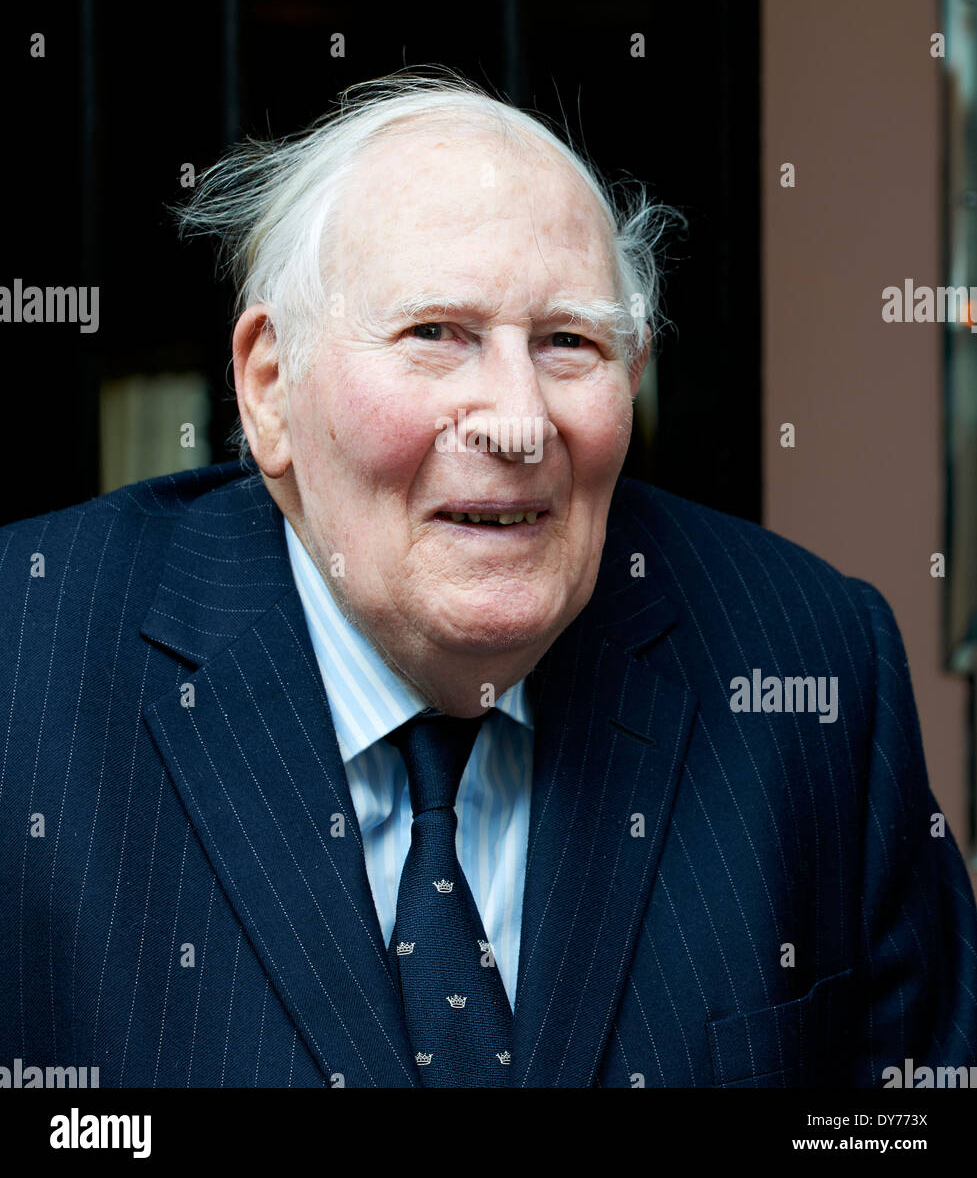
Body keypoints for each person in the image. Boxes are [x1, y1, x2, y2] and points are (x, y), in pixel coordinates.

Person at [1, 74, 974, 1089]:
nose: (516, 420)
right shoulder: (24, 665)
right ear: (269, 385)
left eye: (567, 343)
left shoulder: (806, 666)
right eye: (436, 333)